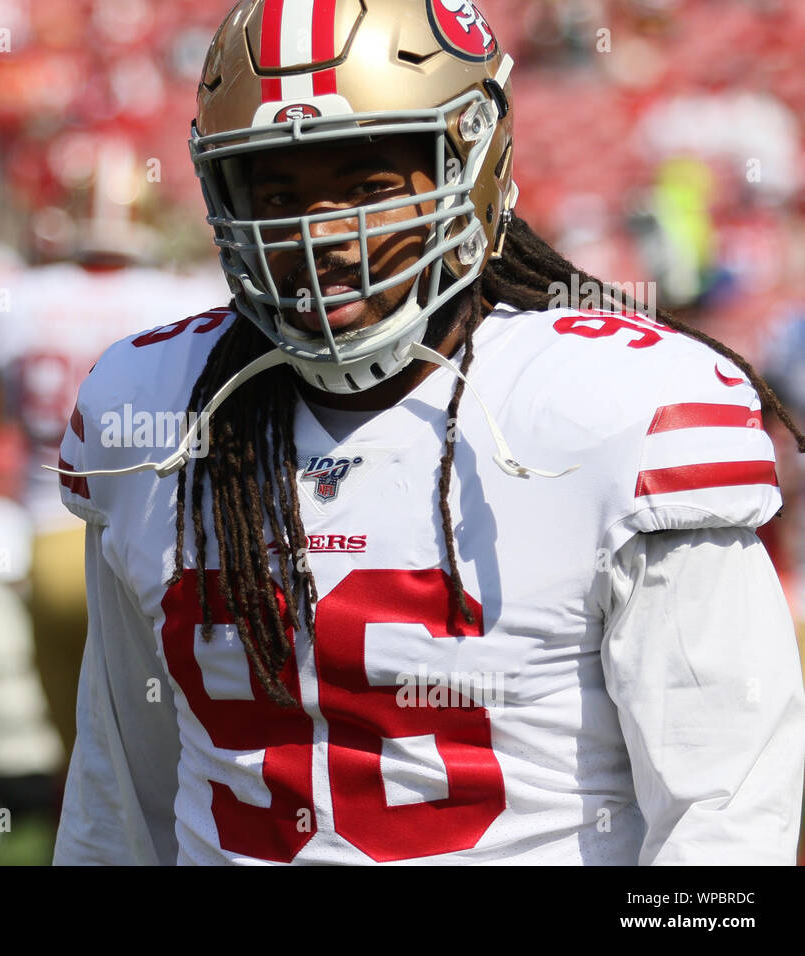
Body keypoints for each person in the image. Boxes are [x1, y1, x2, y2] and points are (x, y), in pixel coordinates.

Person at [52, 0, 805, 865]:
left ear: (474, 160)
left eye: (369, 186)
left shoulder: (615, 410)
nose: (320, 232)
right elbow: (121, 802)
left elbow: (722, 824)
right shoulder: (153, 413)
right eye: (276, 190)